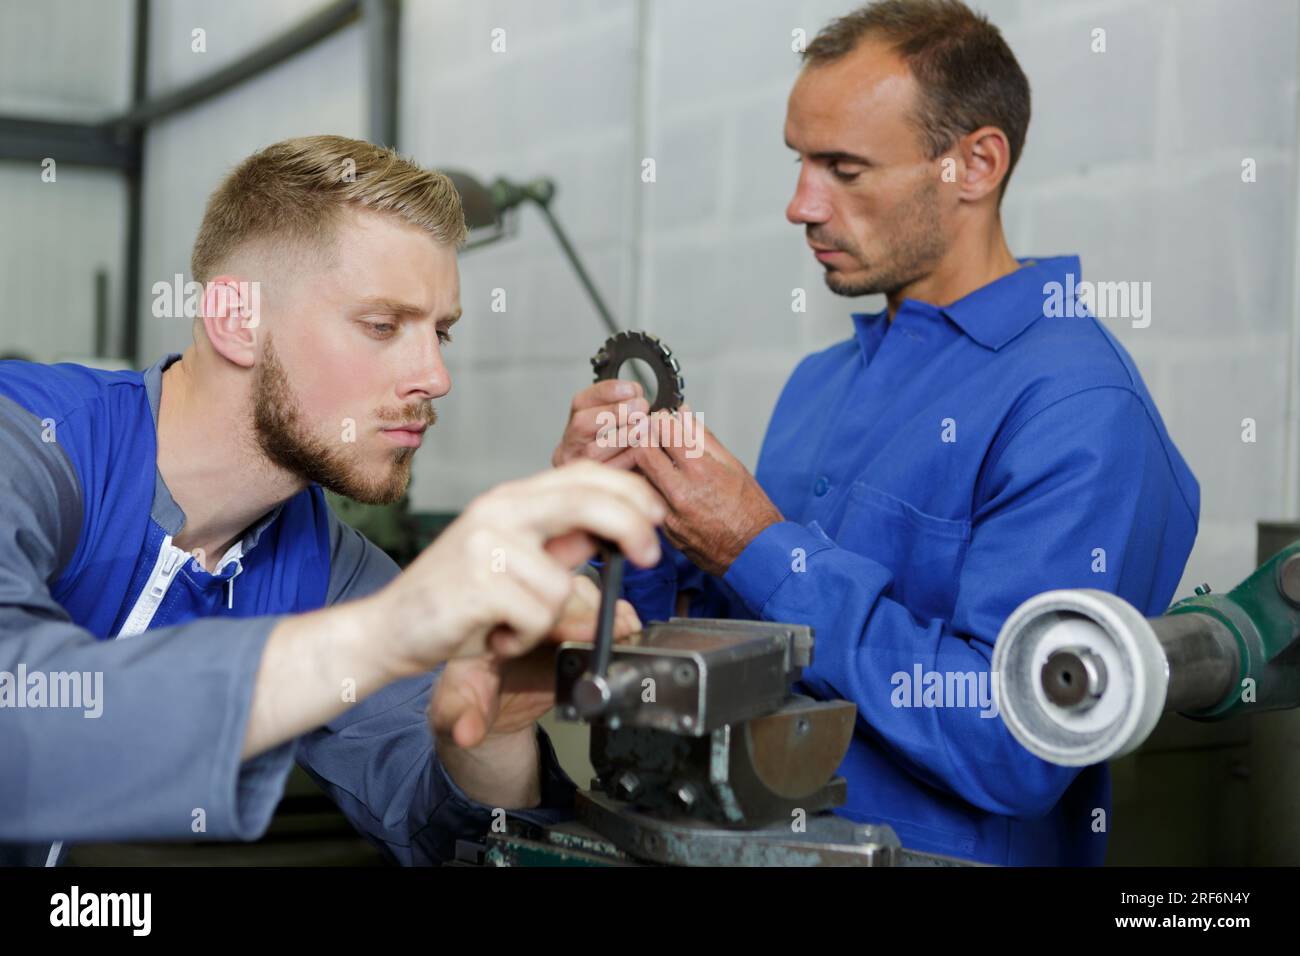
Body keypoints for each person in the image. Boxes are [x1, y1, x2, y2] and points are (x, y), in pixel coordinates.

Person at [553, 0, 1199, 865]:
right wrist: (630, 523)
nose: (799, 205)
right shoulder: (821, 385)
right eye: (799, 162)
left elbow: (1016, 741)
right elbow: (743, 650)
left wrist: (759, 543)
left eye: (843, 169)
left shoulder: (1078, 410)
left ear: (974, 164)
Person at [0, 134, 659, 866]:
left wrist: (495, 724)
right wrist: (390, 629)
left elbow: (438, 821)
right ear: (236, 320)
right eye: (382, 325)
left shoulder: (324, 565)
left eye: (439, 331)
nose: (435, 376)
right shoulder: (29, 441)